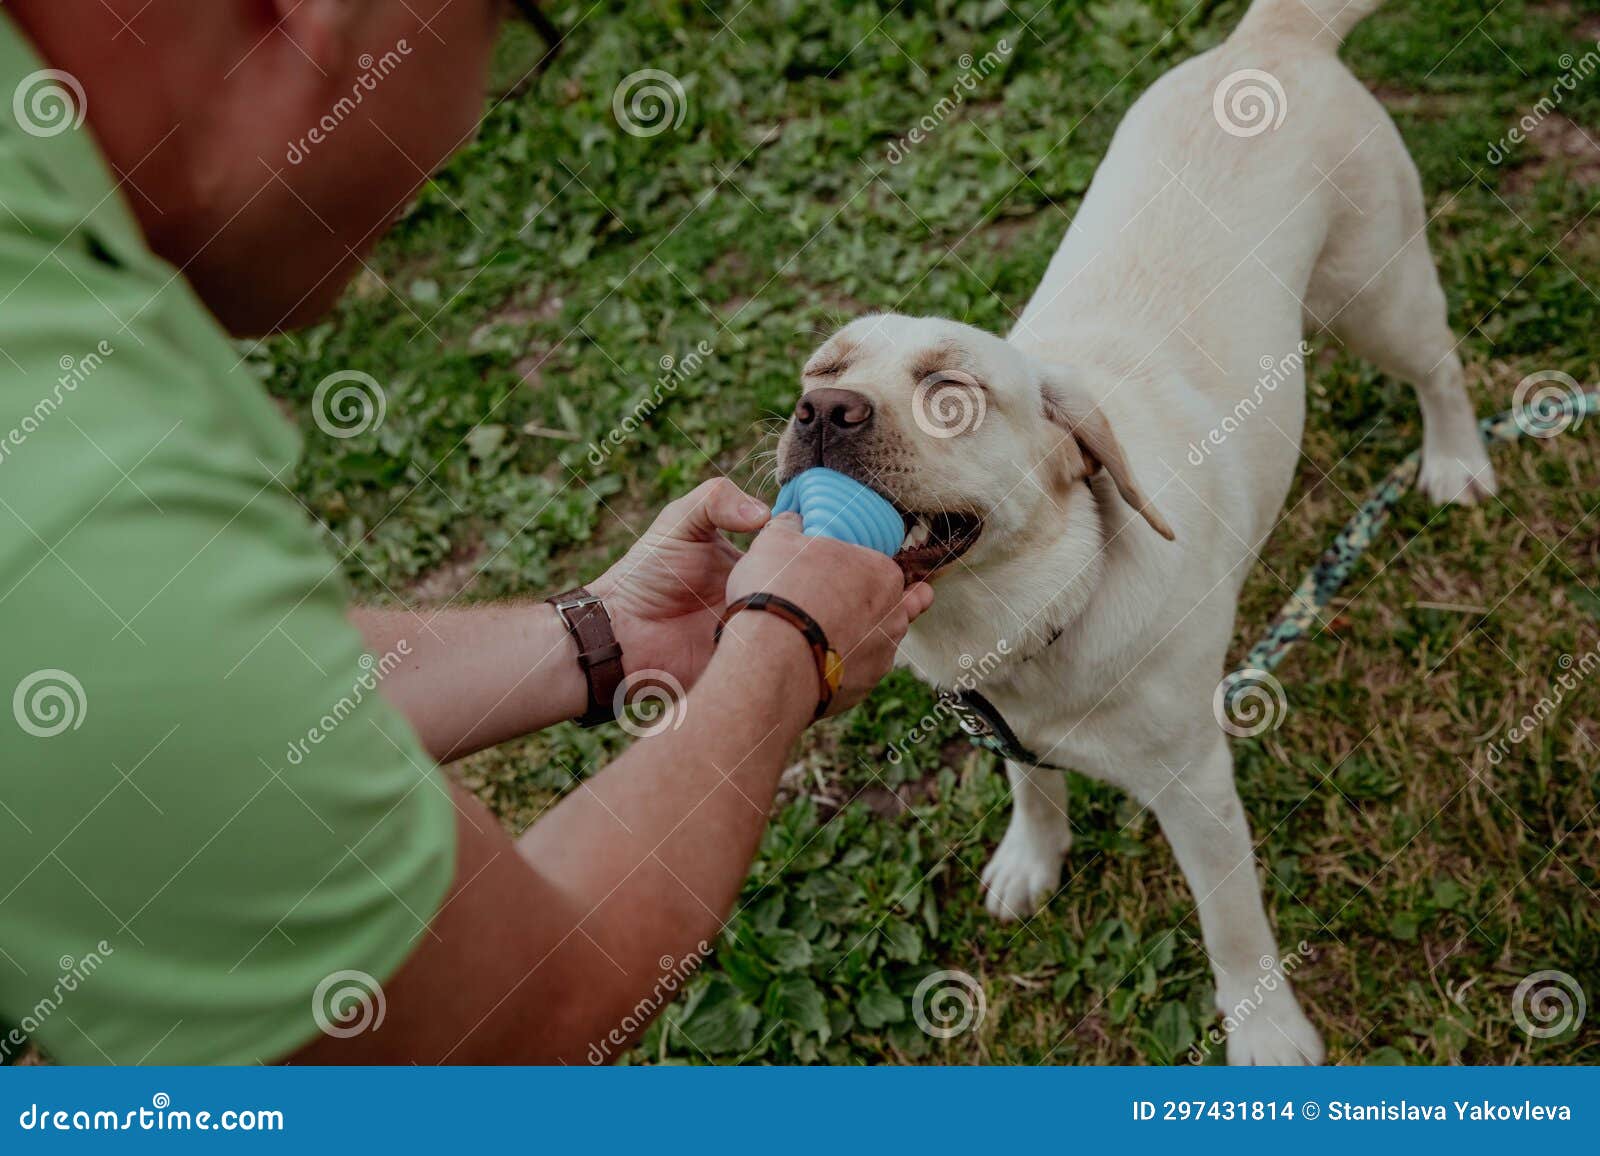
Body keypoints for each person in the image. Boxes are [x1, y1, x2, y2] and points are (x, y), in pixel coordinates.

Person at [0, 1, 930, 1065]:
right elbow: (495, 1022)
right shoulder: (51, 483)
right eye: (504, 38)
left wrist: (596, 638)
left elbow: (189, 702)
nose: (458, 137)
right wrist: (782, 648)